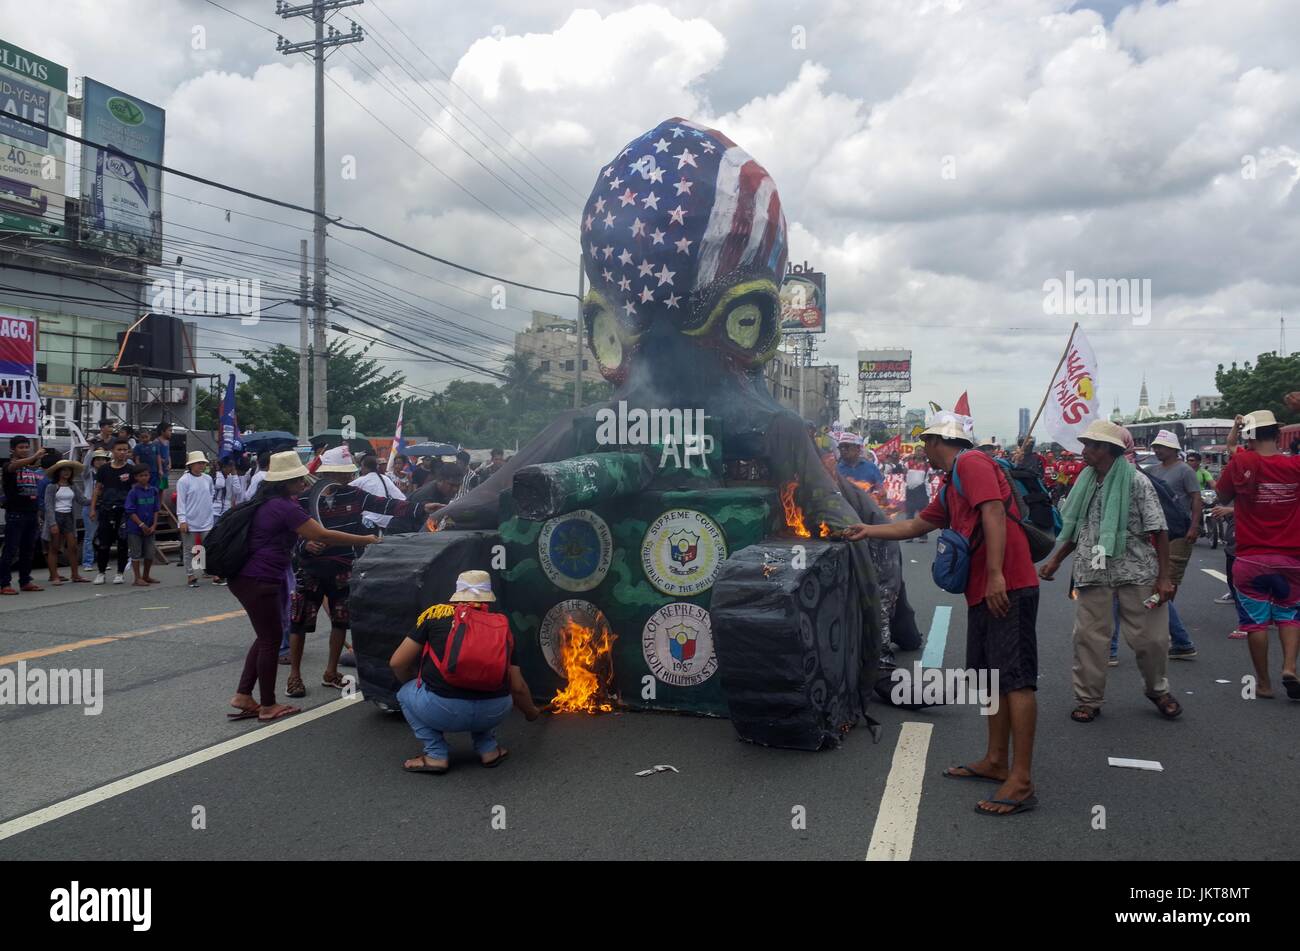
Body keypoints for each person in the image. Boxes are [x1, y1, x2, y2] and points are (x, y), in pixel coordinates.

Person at [844, 414, 1040, 816]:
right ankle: (996, 760)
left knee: (1016, 679)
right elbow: (917, 524)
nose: (922, 451)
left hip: (1008, 584)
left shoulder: (971, 463)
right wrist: (867, 529)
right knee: (990, 676)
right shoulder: (953, 481)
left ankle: (1020, 780)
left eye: (925, 443)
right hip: (984, 588)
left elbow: (994, 514)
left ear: (938, 441)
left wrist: (998, 575)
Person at [1038, 420, 1181, 722]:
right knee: (1088, 638)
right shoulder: (1084, 481)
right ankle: (1088, 699)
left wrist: (1164, 577)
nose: (1085, 451)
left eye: (1091, 445)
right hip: (1093, 569)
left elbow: (1160, 529)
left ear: (1108, 450)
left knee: (1152, 640)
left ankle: (1158, 690)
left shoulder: (1136, 481)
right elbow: (1078, 528)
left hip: (1137, 569)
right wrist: (1057, 560)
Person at [227, 450, 381, 722]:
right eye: (299, 479)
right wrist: (365, 539)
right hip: (260, 579)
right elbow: (320, 534)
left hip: (249, 577)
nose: (305, 482)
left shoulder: (271, 501)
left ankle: (243, 695)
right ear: (285, 482)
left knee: (265, 637)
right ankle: (267, 705)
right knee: (271, 640)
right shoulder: (283, 506)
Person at [288, 446, 433, 696]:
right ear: (326, 473)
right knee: (300, 622)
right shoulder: (303, 499)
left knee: (340, 620)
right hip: (310, 568)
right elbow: (290, 532)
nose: (345, 479)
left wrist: (421, 509)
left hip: (344, 566)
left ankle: (331, 671)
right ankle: (294, 676)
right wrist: (305, 543)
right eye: (339, 474)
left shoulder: (355, 495)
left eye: (347, 474)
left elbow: (388, 506)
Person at [388, 570, 540, 773]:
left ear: (457, 593)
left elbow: (397, 663)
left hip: (442, 710)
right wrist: (531, 712)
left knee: (405, 693)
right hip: (494, 711)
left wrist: (415, 685)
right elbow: (517, 686)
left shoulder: (434, 616)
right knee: (484, 684)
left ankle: (436, 755)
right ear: (488, 597)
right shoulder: (500, 625)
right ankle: (489, 750)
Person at [1216, 411, 1300, 700]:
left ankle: (1263, 684)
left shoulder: (1241, 463)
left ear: (1248, 435)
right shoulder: (1295, 465)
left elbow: (1222, 496)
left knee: (1256, 623)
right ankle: (1289, 667)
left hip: (1250, 559)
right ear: (1277, 435)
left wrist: (1235, 435)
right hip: (1291, 559)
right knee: (1289, 615)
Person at [1146, 430, 1200, 660]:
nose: (1157, 450)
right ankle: (1165, 624)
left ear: (1173, 449)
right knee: (1155, 576)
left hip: (1179, 531)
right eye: (1156, 447)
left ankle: (1168, 627)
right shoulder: (1153, 471)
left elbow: (1196, 498)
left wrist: (1194, 526)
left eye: (1162, 447)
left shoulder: (1185, 470)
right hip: (1157, 533)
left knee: (1170, 578)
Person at [1, 436, 47, 595]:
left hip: (31, 514)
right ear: (12, 450)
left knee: (28, 550)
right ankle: (4, 584)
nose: (25, 450)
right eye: (21, 447)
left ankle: (25, 581)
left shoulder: (30, 469)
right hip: (15, 514)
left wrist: (38, 513)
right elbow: (13, 467)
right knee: (10, 550)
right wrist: (34, 456)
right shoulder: (9, 466)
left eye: (27, 447)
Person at [90, 438, 134, 585]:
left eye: (125, 450)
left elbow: (134, 491)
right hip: (106, 510)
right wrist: (92, 508)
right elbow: (97, 489)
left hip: (124, 512)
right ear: (113, 451)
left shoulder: (130, 470)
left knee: (122, 543)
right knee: (103, 543)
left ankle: (120, 573)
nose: (122, 452)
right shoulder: (104, 469)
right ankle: (101, 572)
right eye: (119, 449)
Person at [42, 459, 90, 586]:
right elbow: (48, 506)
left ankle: (75, 575)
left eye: (69, 470)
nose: (66, 472)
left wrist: (96, 498)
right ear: (58, 472)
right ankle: (54, 575)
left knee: (73, 547)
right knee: (54, 547)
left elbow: (83, 500)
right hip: (56, 516)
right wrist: (52, 523)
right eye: (63, 470)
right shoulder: (52, 487)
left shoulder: (73, 486)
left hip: (69, 516)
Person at [176, 452, 215, 588]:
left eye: (203, 463)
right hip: (190, 520)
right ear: (191, 465)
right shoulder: (184, 480)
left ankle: (209, 570)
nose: (202, 465)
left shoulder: (208, 479)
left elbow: (211, 494)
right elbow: (181, 501)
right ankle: (190, 575)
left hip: (206, 519)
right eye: (199, 463)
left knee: (208, 547)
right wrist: (182, 520)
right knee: (189, 549)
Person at [123, 464, 161, 586]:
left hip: (150, 527)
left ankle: (146, 575)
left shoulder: (153, 491)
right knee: (136, 553)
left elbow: (156, 509)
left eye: (146, 475)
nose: (144, 478)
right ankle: (137, 578)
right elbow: (130, 511)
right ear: (136, 477)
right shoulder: (133, 492)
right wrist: (141, 524)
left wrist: (154, 525)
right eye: (141, 476)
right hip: (135, 528)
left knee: (150, 552)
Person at [350, 453, 405, 533]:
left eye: (361, 466)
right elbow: (401, 498)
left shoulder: (361, 480)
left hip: (369, 520)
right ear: (377, 466)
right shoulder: (385, 478)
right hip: (386, 520)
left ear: (364, 467)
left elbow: (346, 489)